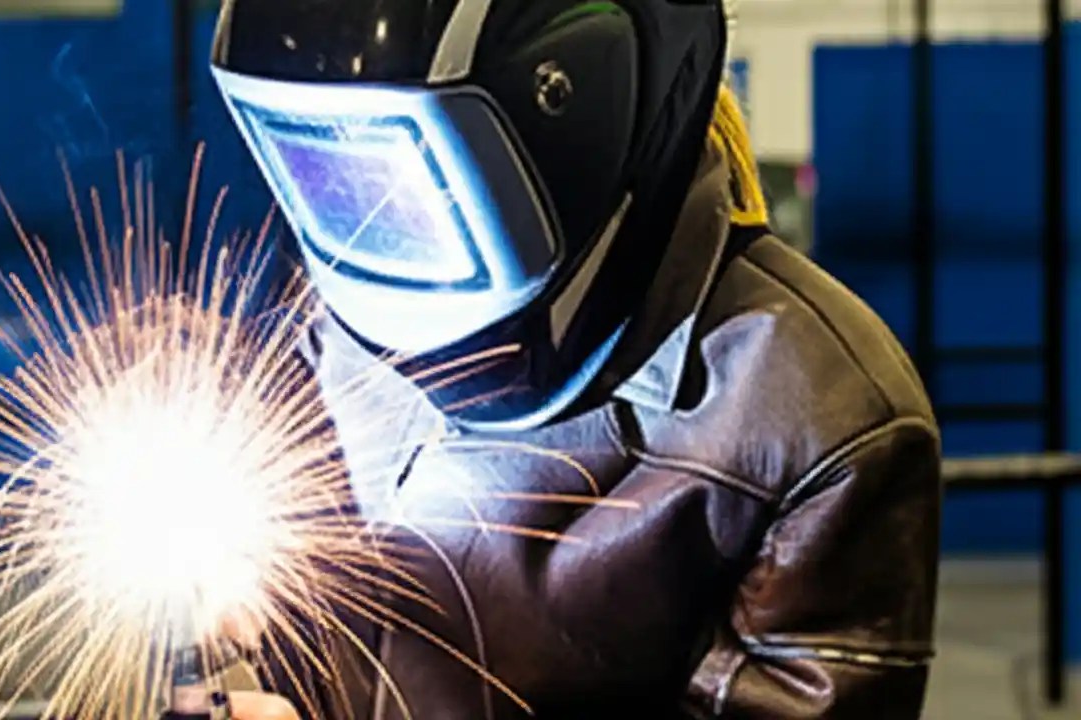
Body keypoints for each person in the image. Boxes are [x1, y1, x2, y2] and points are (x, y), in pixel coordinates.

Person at [210, 0, 941, 718]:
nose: (377, 218)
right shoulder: (343, 311)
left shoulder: (819, 413)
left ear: (574, 97)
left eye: (412, 177)